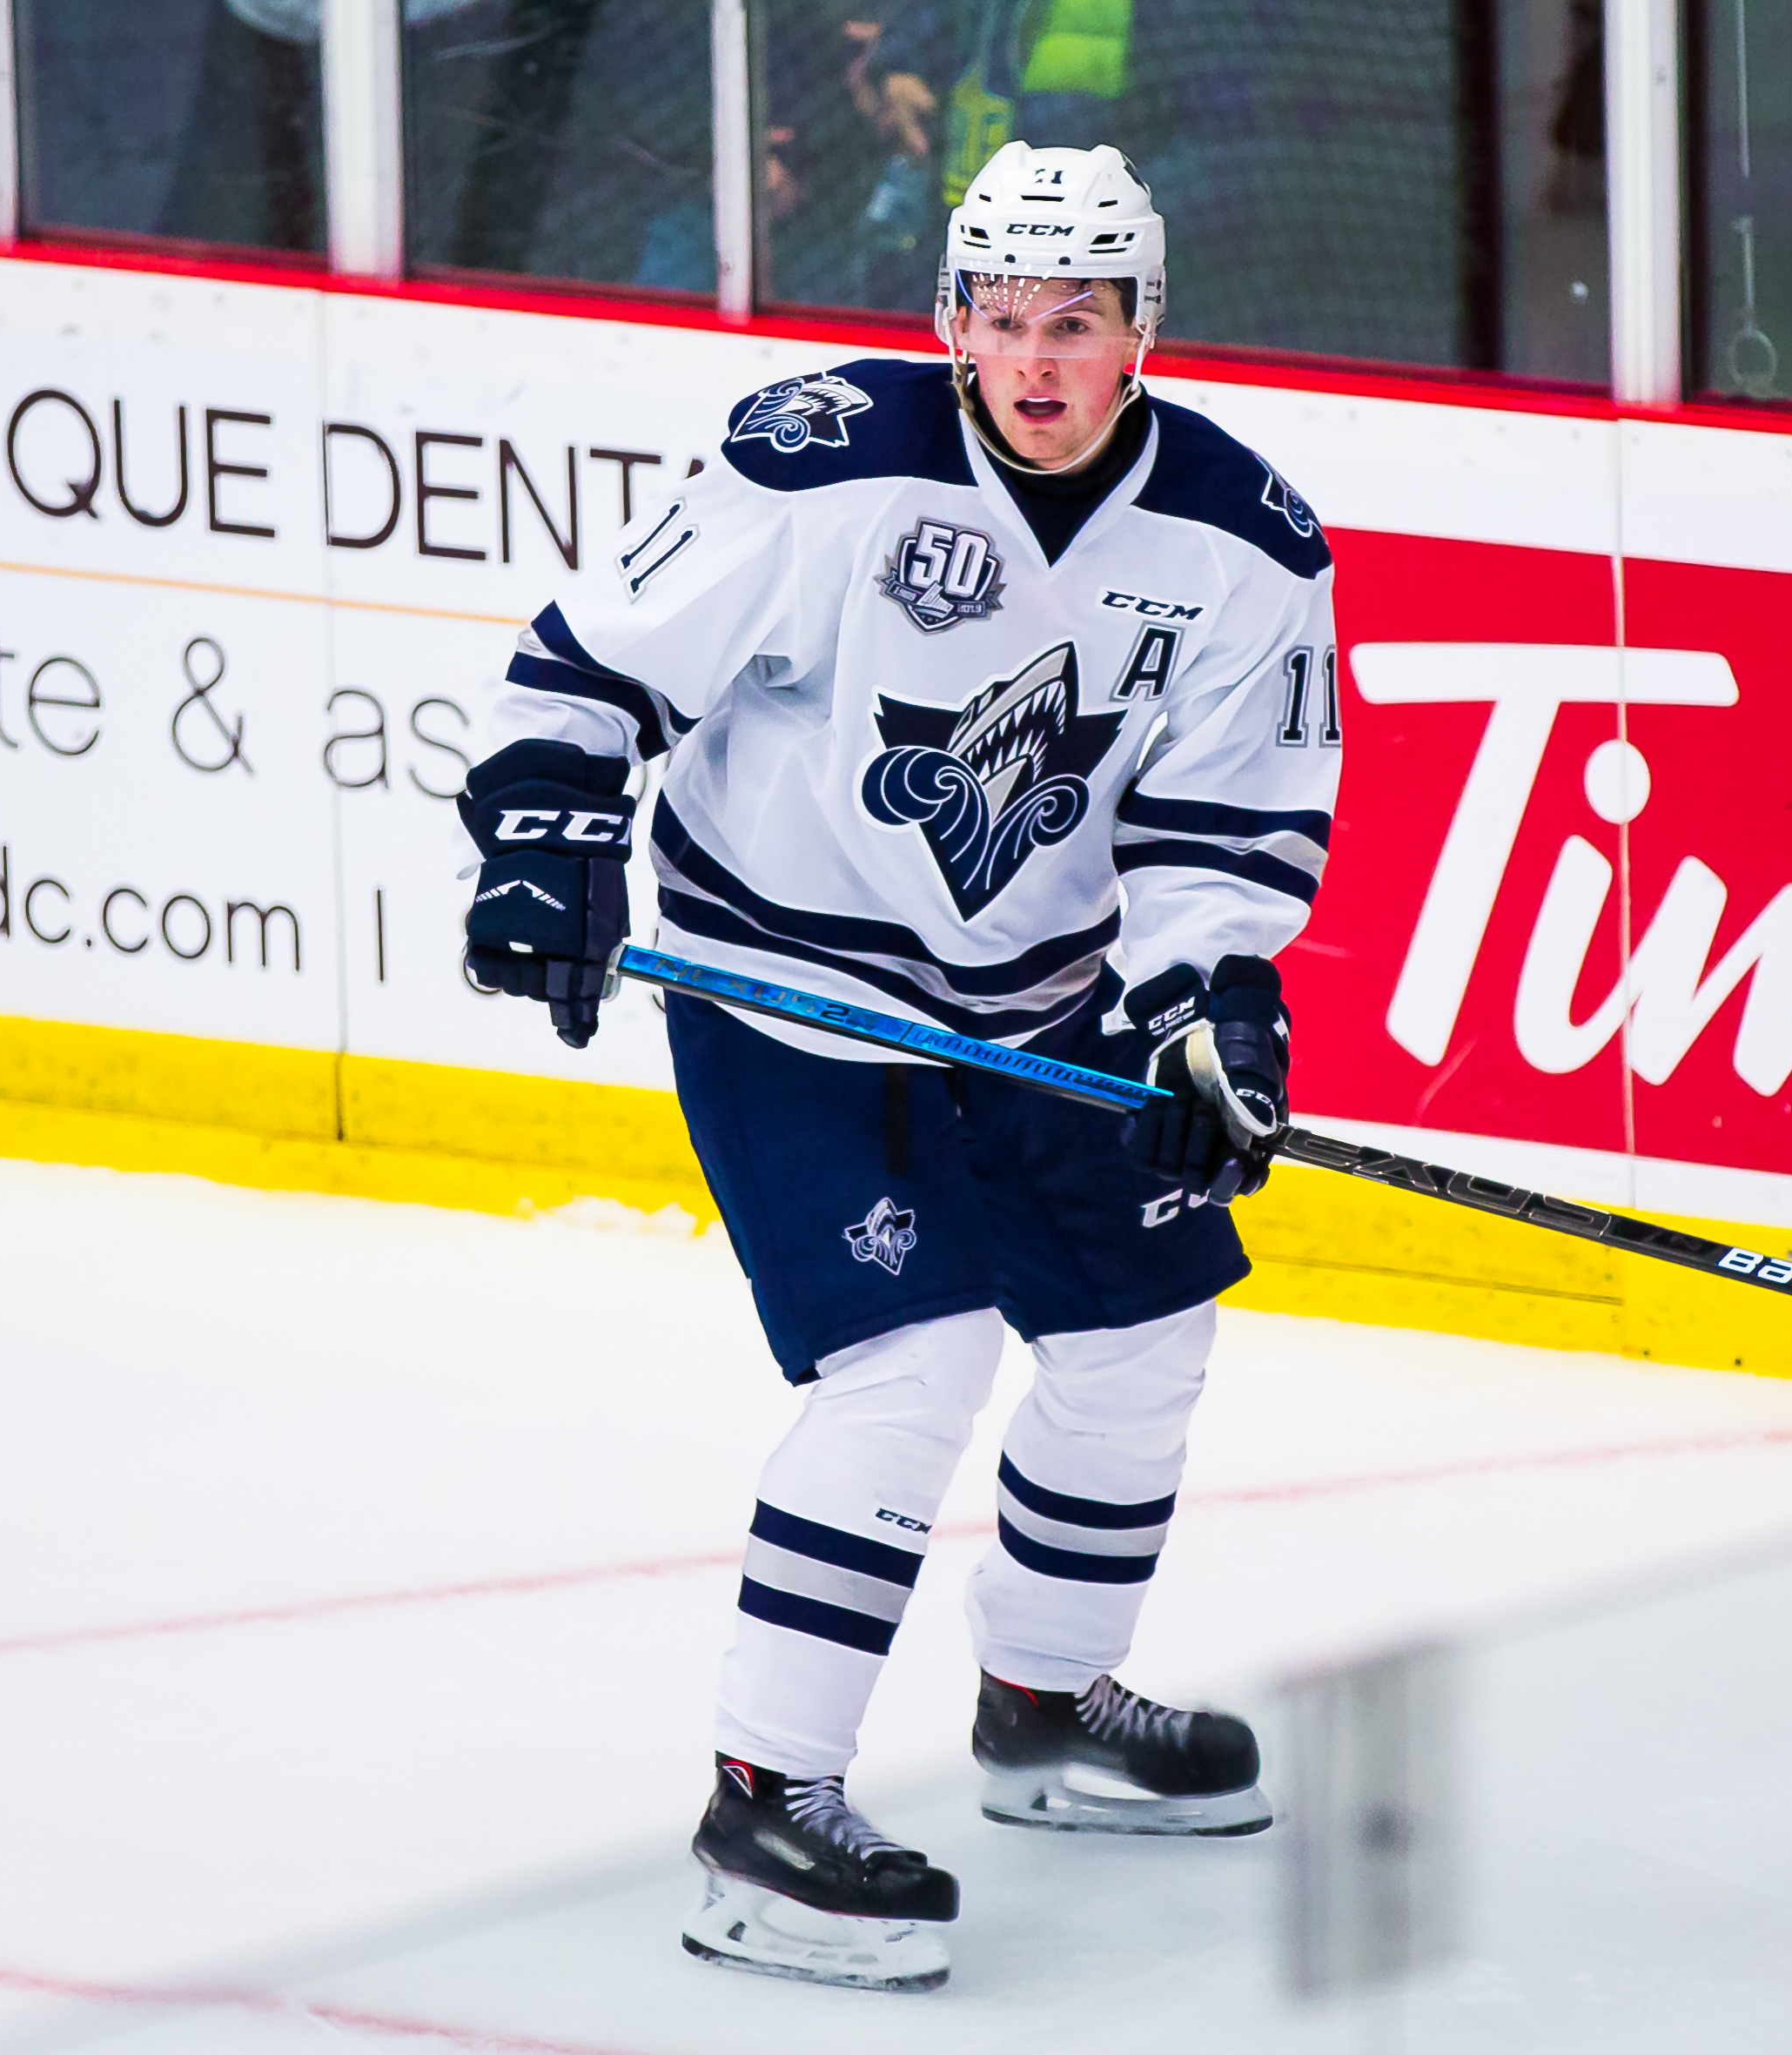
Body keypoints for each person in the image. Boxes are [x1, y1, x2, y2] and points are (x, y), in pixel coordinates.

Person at [454, 140, 1341, 1991]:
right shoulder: (826, 458)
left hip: (1039, 1002)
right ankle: (764, 1803)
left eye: (1072, 321)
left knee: (1134, 1337)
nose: (1031, 356)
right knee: (913, 1356)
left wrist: (1202, 1002)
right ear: (953, 320)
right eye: (1000, 316)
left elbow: (1217, 830)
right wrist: (544, 838)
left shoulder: (1244, 541)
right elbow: (588, 665)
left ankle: (1039, 1700)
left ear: (1136, 333)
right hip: (787, 994)